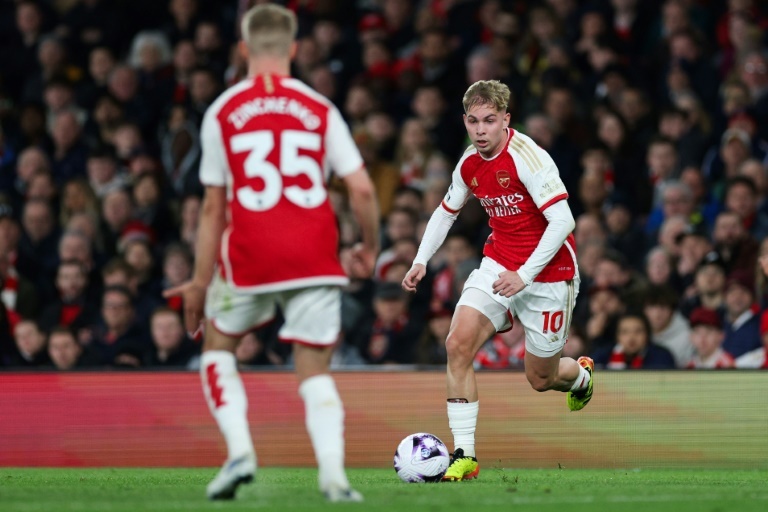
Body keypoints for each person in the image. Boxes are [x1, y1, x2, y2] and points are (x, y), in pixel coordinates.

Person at [164, 4, 378, 503]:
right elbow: (363, 189)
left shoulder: (222, 111)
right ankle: (334, 477)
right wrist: (369, 247)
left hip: (249, 256)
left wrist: (199, 281)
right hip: (313, 254)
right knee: (314, 369)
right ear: (294, 49)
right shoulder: (319, 108)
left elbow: (213, 207)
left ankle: (240, 451)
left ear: (243, 50)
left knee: (218, 350)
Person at [402, 80, 590, 482]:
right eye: (473, 121)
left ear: (506, 119)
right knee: (457, 343)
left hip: (549, 273)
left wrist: (524, 276)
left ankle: (581, 377)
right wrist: (421, 260)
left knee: (541, 378)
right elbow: (446, 211)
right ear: (465, 122)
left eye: (489, 120)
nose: (481, 130)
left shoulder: (529, 157)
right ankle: (465, 455)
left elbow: (563, 221)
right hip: (499, 262)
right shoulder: (469, 162)